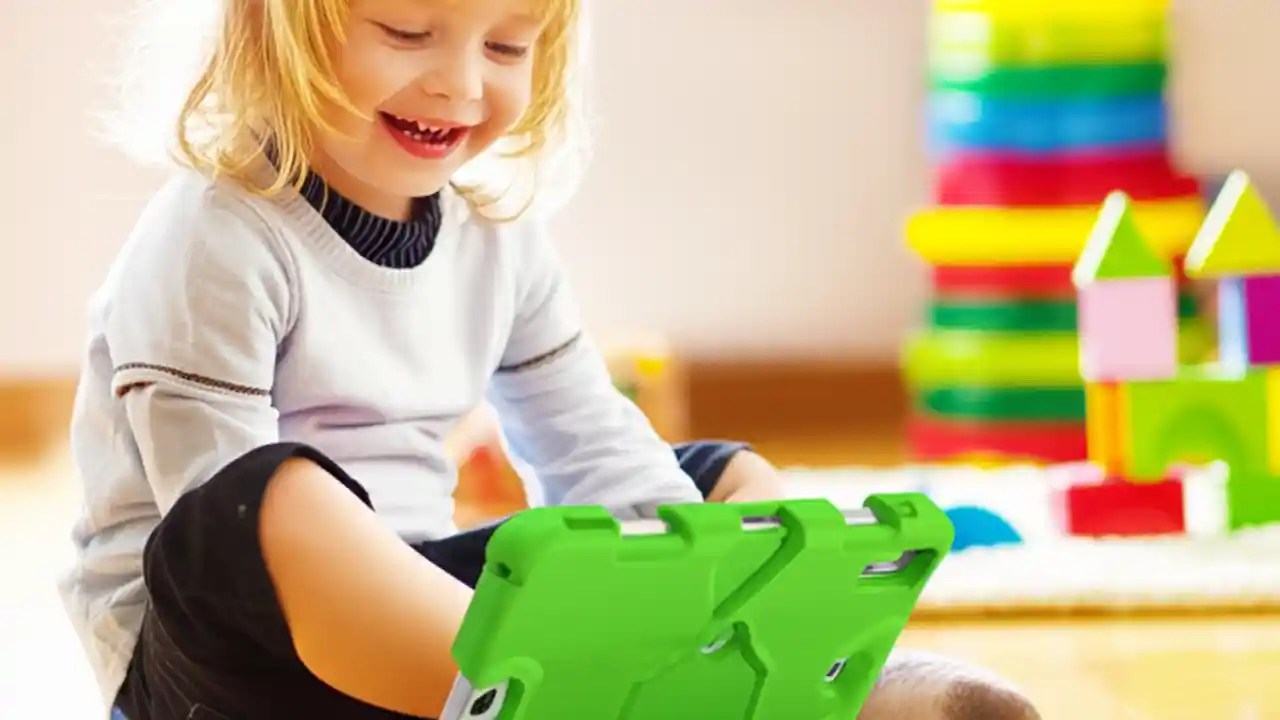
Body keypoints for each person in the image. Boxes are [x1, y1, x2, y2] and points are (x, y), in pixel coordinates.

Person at [58, 0, 1039, 718]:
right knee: (268, 495)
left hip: (426, 628)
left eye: (506, 45)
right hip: (228, 667)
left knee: (715, 481)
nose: (460, 83)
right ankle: (597, 691)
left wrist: (693, 572)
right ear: (274, 24)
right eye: (407, 32)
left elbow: (592, 444)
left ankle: (767, 679)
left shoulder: (495, 238)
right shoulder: (215, 236)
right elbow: (216, 526)